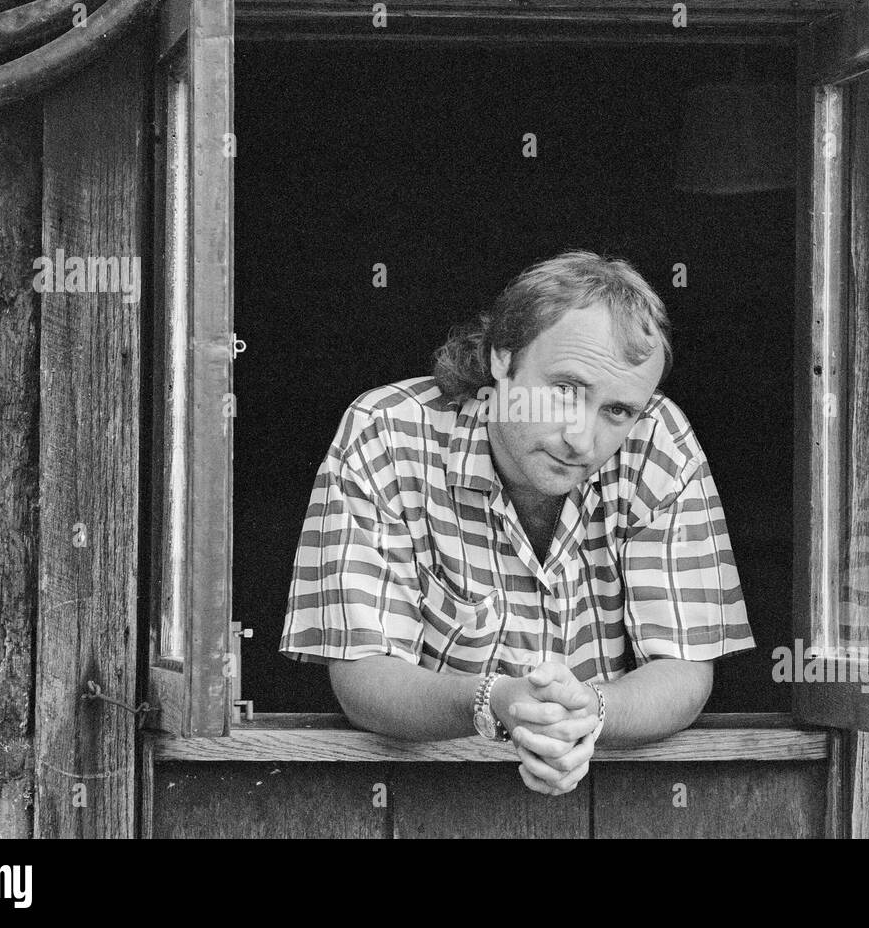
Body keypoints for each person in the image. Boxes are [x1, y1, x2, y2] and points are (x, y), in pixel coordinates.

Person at [279, 250, 754, 796]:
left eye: (617, 411)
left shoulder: (659, 442)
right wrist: (497, 702)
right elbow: (363, 677)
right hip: (418, 797)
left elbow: (685, 671)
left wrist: (588, 713)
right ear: (503, 358)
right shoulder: (385, 433)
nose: (581, 438)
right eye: (564, 390)